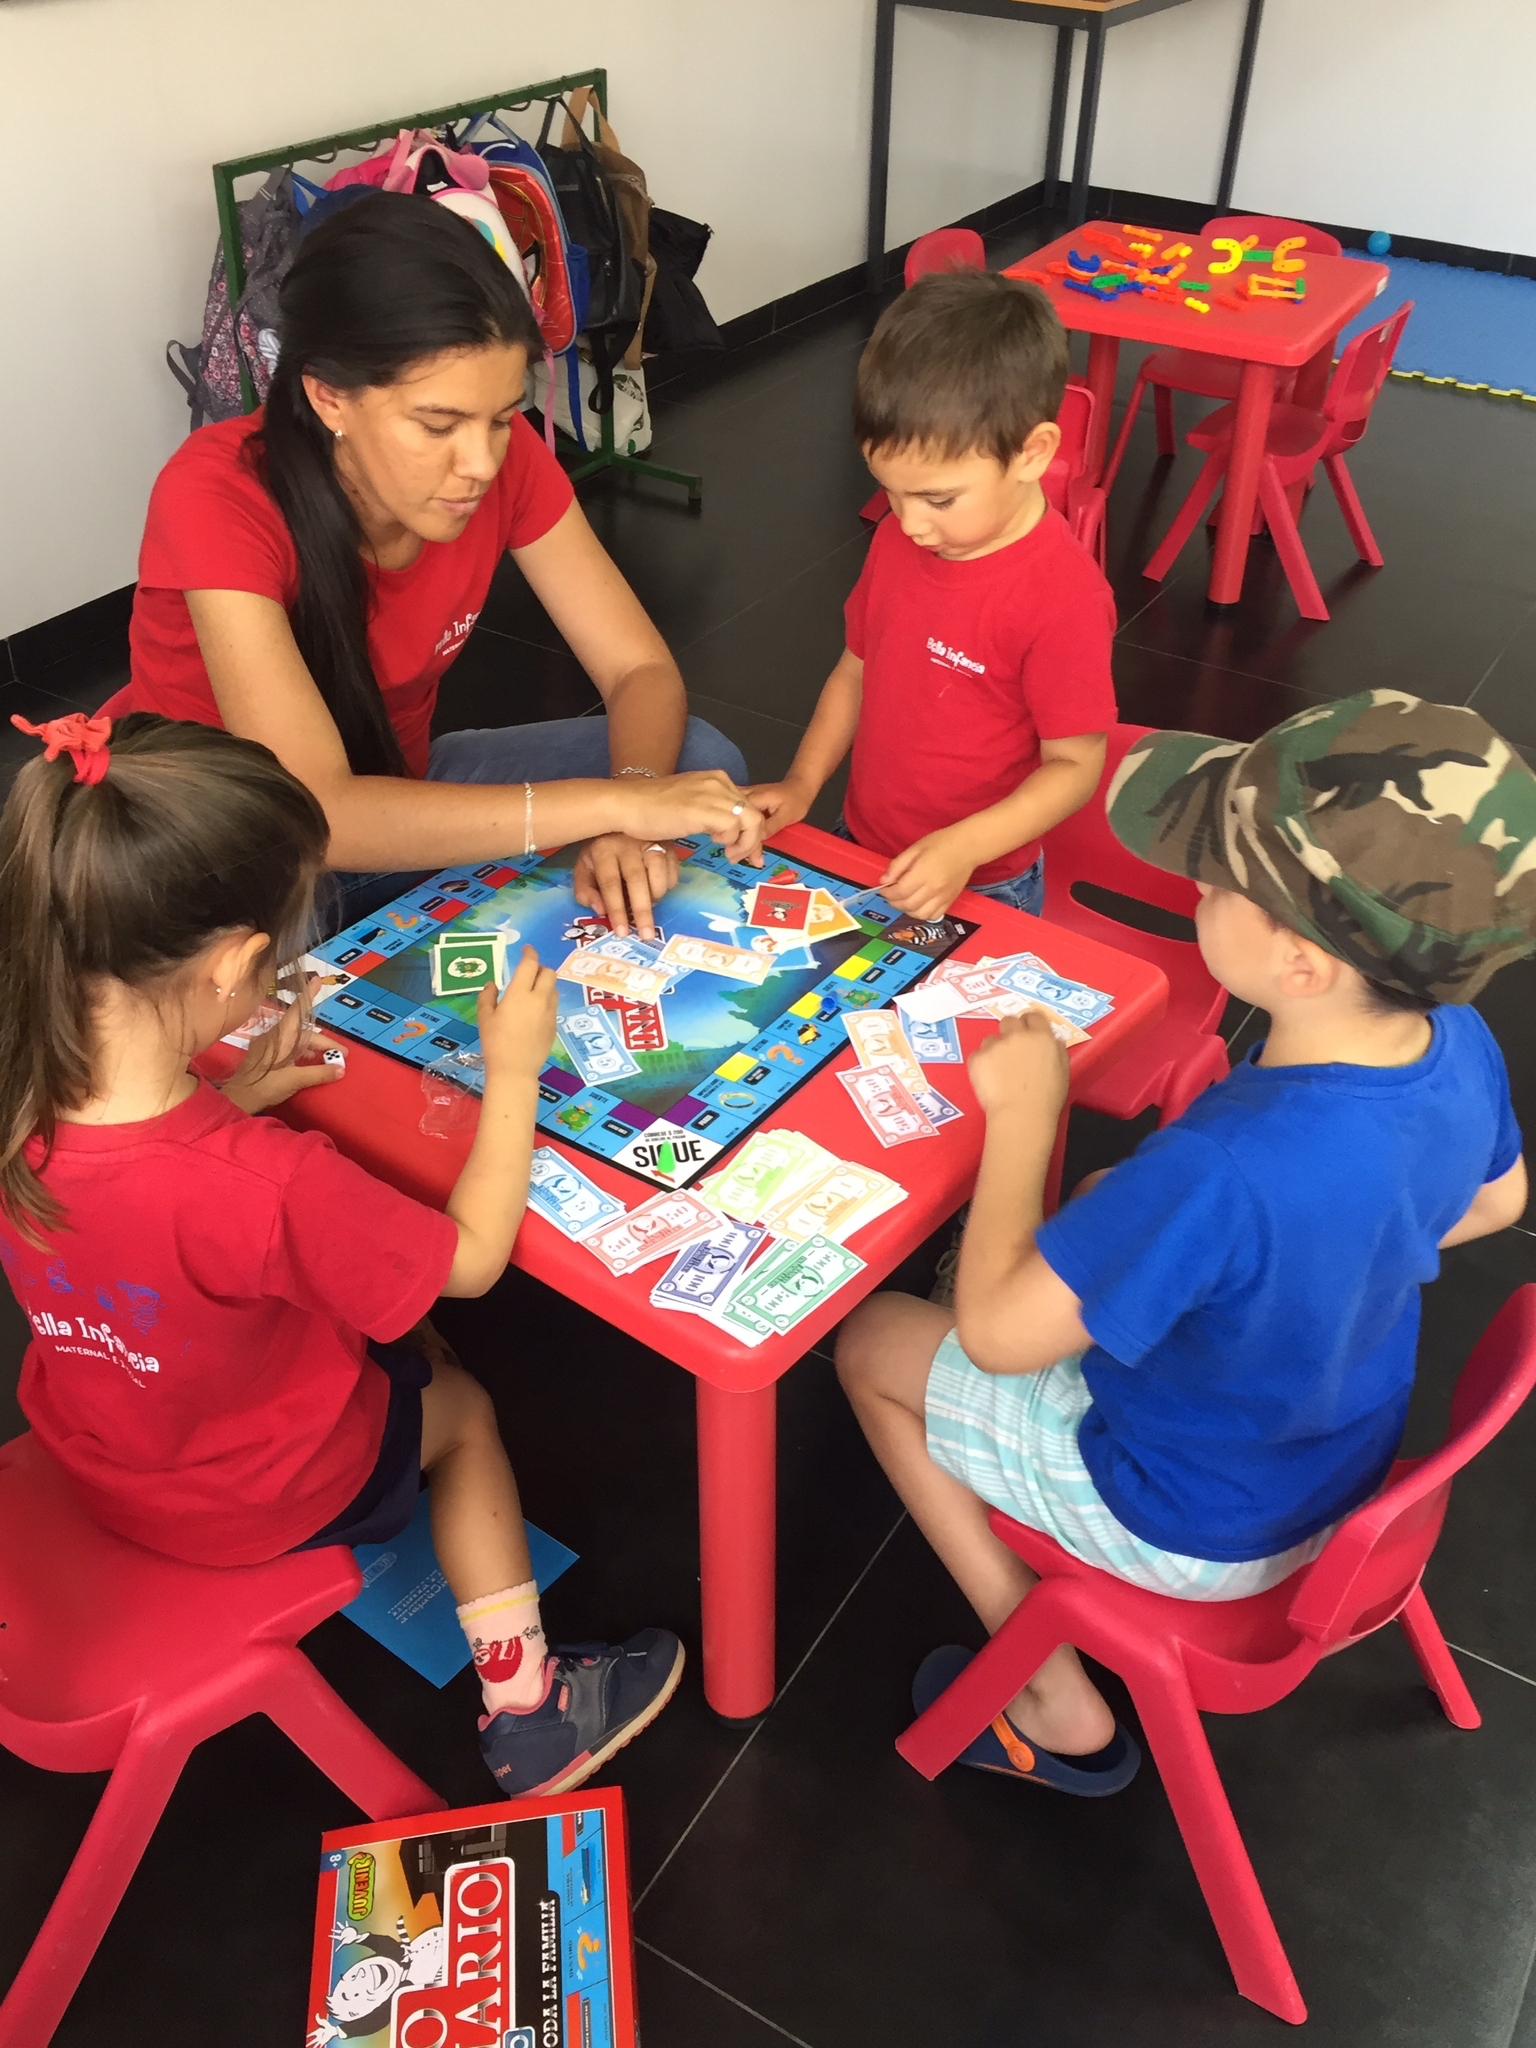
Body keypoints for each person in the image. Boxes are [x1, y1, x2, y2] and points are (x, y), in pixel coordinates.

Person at [836, 693, 1534, 1795]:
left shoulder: (1225, 1164)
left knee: (872, 1344)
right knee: (1111, 1226)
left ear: (1302, 963)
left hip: (1188, 1518)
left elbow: (1000, 1331)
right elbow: (1498, 1200)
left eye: (1214, 876)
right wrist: (1318, 1240)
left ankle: (1047, 1686)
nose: (1193, 884)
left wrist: (1025, 1116)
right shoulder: (1456, 1041)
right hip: (1335, 1465)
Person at [0, 710, 683, 1798]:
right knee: (460, 1415)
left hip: (108, 1454)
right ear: (233, 963)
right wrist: (513, 1069)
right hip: (255, 1496)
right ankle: (532, 1709)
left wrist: (233, 1092)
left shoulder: (23, 1099)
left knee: (399, 1331)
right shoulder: (263, 1181)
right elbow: (468, 1260)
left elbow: (142, 1204)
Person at [108, 195, 761, 937]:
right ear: (329, 397)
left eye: (503, 416)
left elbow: (637, 669)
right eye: (438, 424)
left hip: (397, 794)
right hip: (240, 847)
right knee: (272, 937)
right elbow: (318, 811)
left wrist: (635, 810)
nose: (480, 462)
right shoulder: (217, 493)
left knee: (699, 759)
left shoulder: (506, 465)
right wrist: (613, 805)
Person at [748, 269, 1115, 922]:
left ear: (1032, 453)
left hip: (982, 879)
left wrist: (964, 848)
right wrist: (804, 783)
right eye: (890, 490)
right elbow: (855, 670)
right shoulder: (900, 538)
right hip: (860, 839)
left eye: (938, 498)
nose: (909, 522)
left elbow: (1075, 766)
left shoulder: (1063, 599)